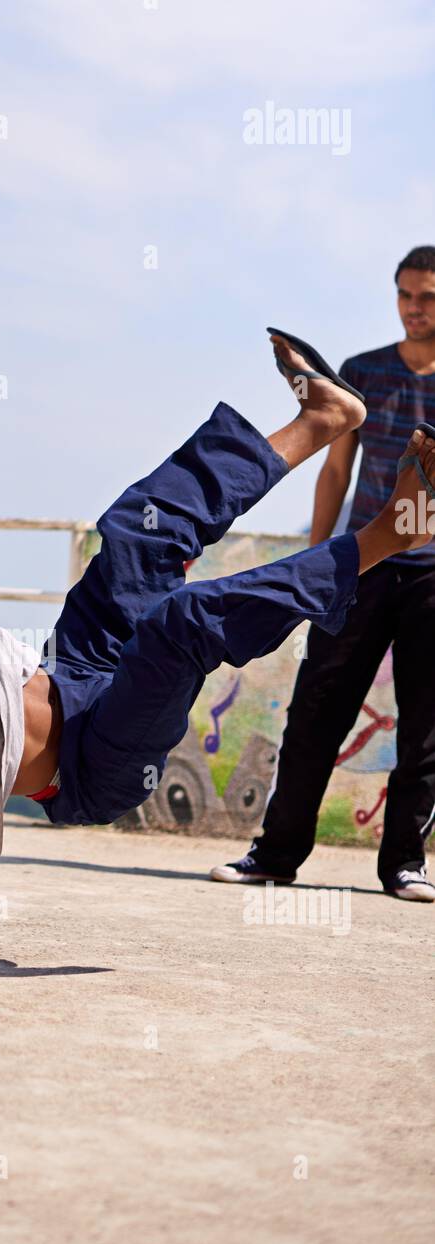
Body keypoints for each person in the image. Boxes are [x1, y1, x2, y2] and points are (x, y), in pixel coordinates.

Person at [0, 261, 435, 963]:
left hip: (74, 668)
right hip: (89, 769)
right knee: (181, 625)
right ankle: (391, 533)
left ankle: (321, 418)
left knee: (137, 534)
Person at [211, 246, 435, 902]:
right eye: (404, 295)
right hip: (360, 563)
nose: (414, 308)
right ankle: (275, 854)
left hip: (431, 574)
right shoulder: (362, 372)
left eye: (426, 297)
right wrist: (319, 566)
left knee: (424, 728)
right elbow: (335, 471)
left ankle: (404, 865)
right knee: (312, 714)